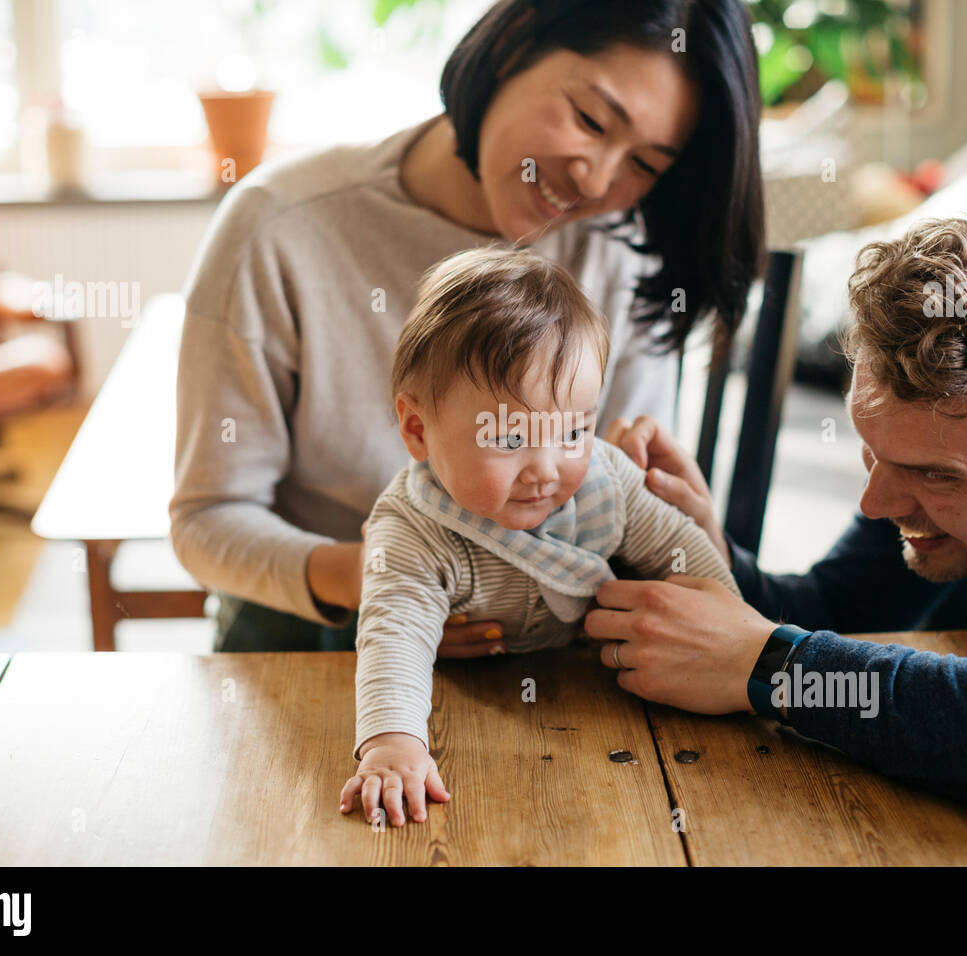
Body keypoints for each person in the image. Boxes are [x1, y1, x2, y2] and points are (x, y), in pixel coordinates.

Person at [169, 0, 766, 652]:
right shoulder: (278, 226)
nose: (596, 179)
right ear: (513, 42)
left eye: (646, 164)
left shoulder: (622, 251)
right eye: (590, 119)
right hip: (314, 633)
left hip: (544, 638)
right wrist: (386, 584)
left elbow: (620, 512)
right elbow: (208, 520)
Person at [590, 210, 967, 842]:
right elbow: (839, 610)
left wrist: (780, 670)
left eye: (935, 476)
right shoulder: (946, 443)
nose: (875, 503)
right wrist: (710, 555)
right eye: (872, 452)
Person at [337, 246, 739, 826]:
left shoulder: (606, 481)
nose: (546, 469)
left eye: (573, 430)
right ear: (418, 429)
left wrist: (735, 640)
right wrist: (393, 745)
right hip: (464, 702)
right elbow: (393, 632)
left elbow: (688, 556)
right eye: (507, 439)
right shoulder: (413, 526)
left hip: (589, 698)